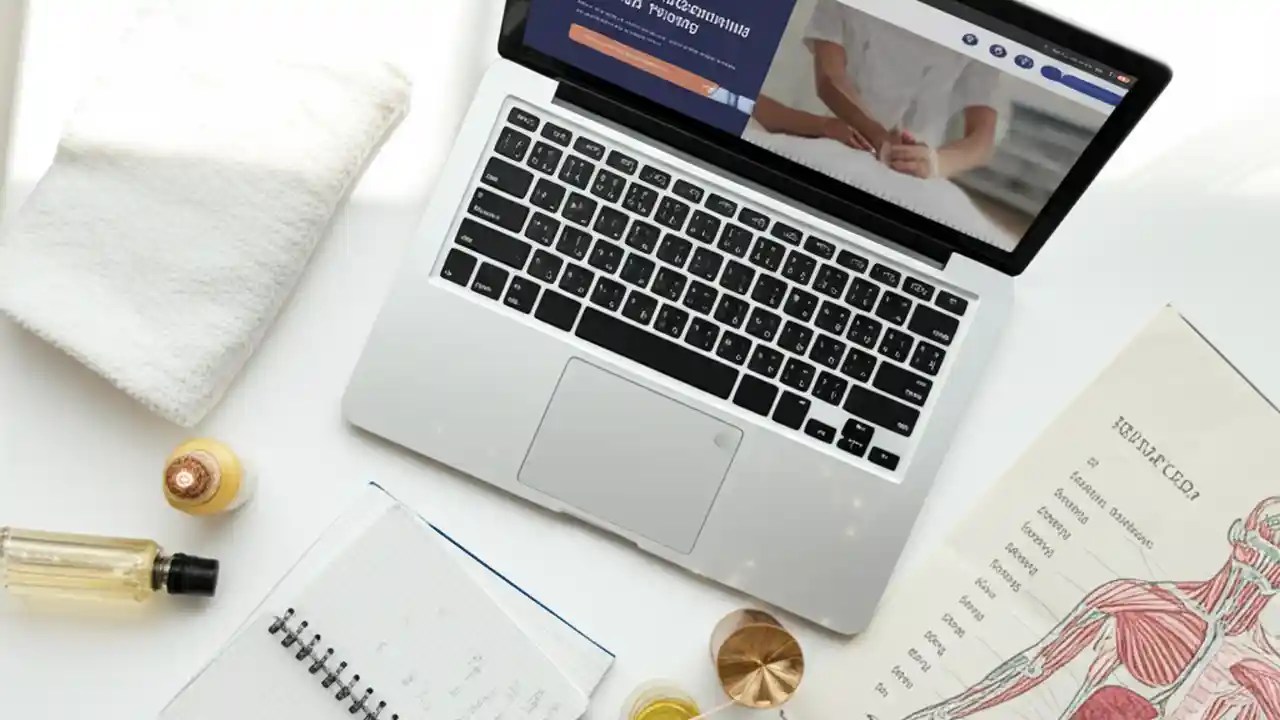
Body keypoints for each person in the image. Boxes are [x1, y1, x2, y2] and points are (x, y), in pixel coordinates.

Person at [803, 0, 1001, 180]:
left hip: (921, 170)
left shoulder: (986, 24)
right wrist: (878, 136)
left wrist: (938, 162)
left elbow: (982, 139)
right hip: (845, 143)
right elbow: (829, 78)